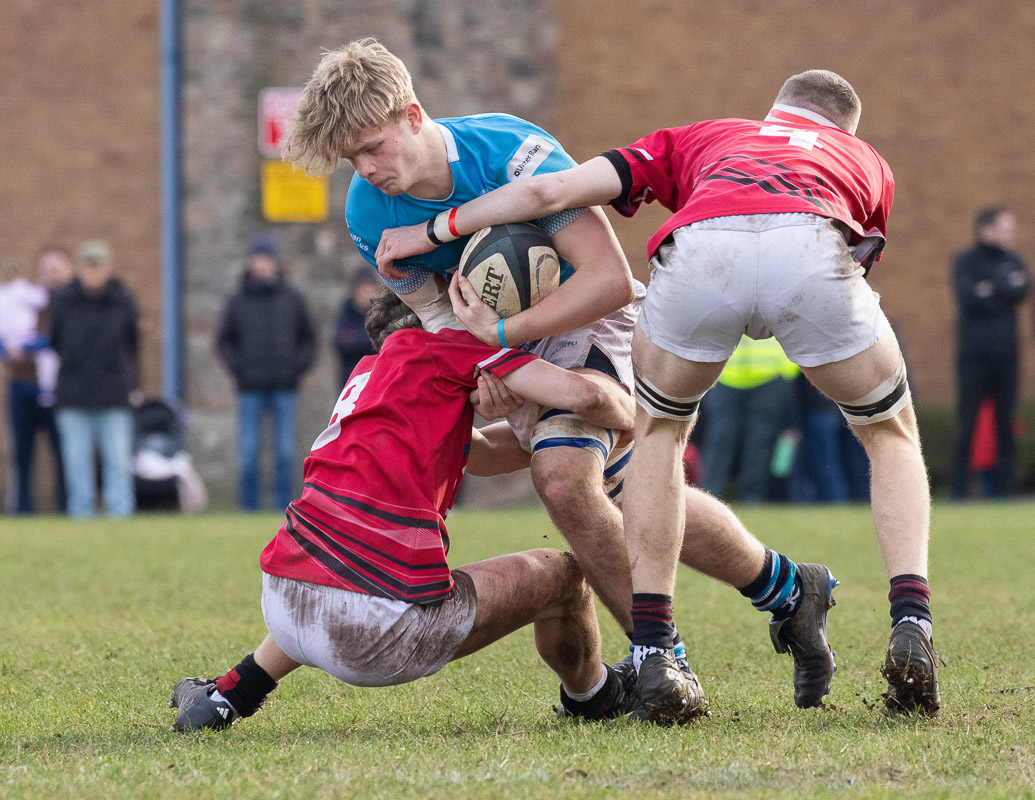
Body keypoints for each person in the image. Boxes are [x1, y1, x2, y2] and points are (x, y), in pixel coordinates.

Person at [285, 40, 837, 725]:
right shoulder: (368, 214)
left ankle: (659, 657)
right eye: (352, 160)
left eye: (373, 147)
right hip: (506, 343)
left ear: (414, 115)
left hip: (592, 319)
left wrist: (502, 338)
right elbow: (442, 325)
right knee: (629, 492)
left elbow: (608, 281)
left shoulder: (508, 152)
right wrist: (485, 372)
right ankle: (790, 589)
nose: (367, 170)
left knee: (562, 477)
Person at [376, 70, 941, 716]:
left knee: (653, 442)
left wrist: (437, 234)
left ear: (773, 114)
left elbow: (548, 191)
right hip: (810, 244)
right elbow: (852, 257)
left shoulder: (713, 136)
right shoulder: (864, 161)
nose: (365, 169)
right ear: (840, 129)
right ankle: (901, 617)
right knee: (888, 433)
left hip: (697, 254)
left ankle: (655, 648)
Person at [170, 288, 638, 731]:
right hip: (373, 625)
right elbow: (590, 396)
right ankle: (596, 695)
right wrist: (639, 418)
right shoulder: (452, 344)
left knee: (337, 571)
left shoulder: (369, 373)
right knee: (564, 577)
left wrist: (546, 436)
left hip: (283, 593)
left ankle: (228, 695)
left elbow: (480, 454)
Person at [216, 234, 315, 511]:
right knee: (249, 452)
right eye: (258, 259)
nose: (262, 264)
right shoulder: (238, 300)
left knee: (285, 451)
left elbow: (308, 339)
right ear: (251, 263)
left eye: (266, 259)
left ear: (274, 262)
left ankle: (283, 507)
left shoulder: (292, 298)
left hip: (284, 386)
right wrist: (240, 369)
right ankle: (250, 507)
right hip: (250, 387)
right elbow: (224, 341)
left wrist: (296, 368)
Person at [49, 240, 140, 518]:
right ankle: (81, 513)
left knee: (117, 459)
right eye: (88, 266)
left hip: (113, 392)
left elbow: (133, 346)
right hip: (73, 392)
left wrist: (134, 386)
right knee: (76, 462)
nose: (94, 272)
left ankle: (120, 512)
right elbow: (55, 341)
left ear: (108, 268)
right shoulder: (64, 300)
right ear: (79, 269)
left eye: (98, 266)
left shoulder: (123, 300)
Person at [949, 206, 1030, 500]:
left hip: (1007, 356)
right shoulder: (965, 262)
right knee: (967, 423)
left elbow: (1021, 292)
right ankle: (959, 492)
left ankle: (1005, 492)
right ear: (986, 229)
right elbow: (969, 298)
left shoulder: (1014, 260)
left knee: (1006, 424)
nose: (1010, 234)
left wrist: (991, 289)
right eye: (1004, 228)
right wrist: (1002, 288)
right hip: (973, 357)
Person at [0, 251, 69, 513]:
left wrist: (30, 346)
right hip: (21, 385)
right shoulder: (25, 300)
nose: (52, 274)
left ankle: (66, 509)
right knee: (21, 453)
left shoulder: (69, 303)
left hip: (58, 389)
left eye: (57, 268)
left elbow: (61, 338)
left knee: (62, 453)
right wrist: (8, 350)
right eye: (47, 269)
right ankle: (22, 510)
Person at [698, 335, 799, 503]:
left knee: (758, 443)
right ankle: (710, 496)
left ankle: (752, 499)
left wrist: (786, 371)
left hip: (767, 375)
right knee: (720, 440)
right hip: (724, 376)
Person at [332, 268, 380, 387]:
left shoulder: (381, 314)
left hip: (375, 377)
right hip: (350, 378)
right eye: (363, 290)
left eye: (369, 290)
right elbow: (340, 343)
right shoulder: (346, 311)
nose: (366, 295)